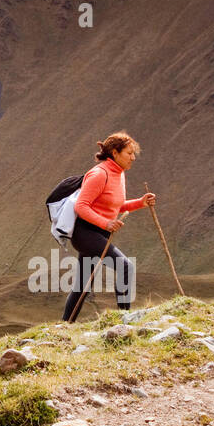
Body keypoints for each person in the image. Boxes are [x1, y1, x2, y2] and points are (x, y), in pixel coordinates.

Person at [61, 132, 157, 321]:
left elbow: (114, 205)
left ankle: (65, 325)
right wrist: (107, 223)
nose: (133, 157)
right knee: (125, 267)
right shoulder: (99, 174)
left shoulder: (119, 174)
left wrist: (141, 202)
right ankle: (125, 321)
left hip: (98, 234)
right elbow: (81, 206)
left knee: (83, 283)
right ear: (115, 153)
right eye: (129, 153)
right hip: (85, 233)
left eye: (133, 153)